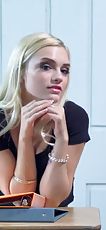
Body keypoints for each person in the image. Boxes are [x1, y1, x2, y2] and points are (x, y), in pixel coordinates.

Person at [0, 32, 90, 207]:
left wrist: (62, 140)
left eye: (64, 70)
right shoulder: (1, 118)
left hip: (56, 222)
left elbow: (52, 201)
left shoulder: (74, 117)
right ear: (20, 73)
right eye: (46, 66)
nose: (59, 77)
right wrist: (24, 136)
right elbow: (21, 200)